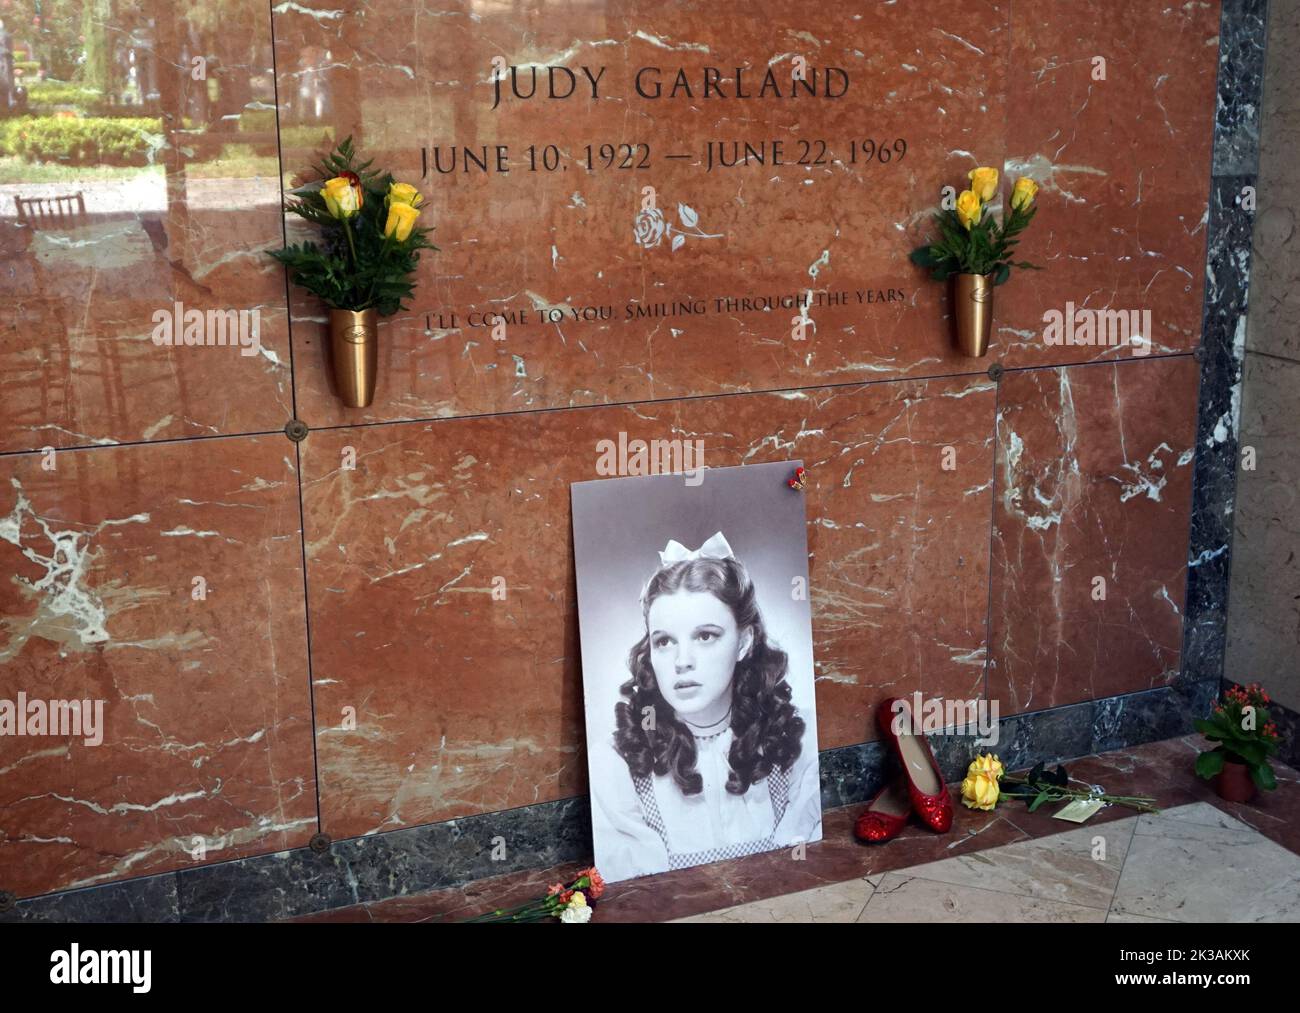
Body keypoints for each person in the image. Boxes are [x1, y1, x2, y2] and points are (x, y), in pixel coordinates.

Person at [591, 532, 821, 882]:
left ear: (744, 642)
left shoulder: (796, 741)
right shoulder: (616, 764)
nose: (682, 661)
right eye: (664, 641)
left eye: (705, 636)